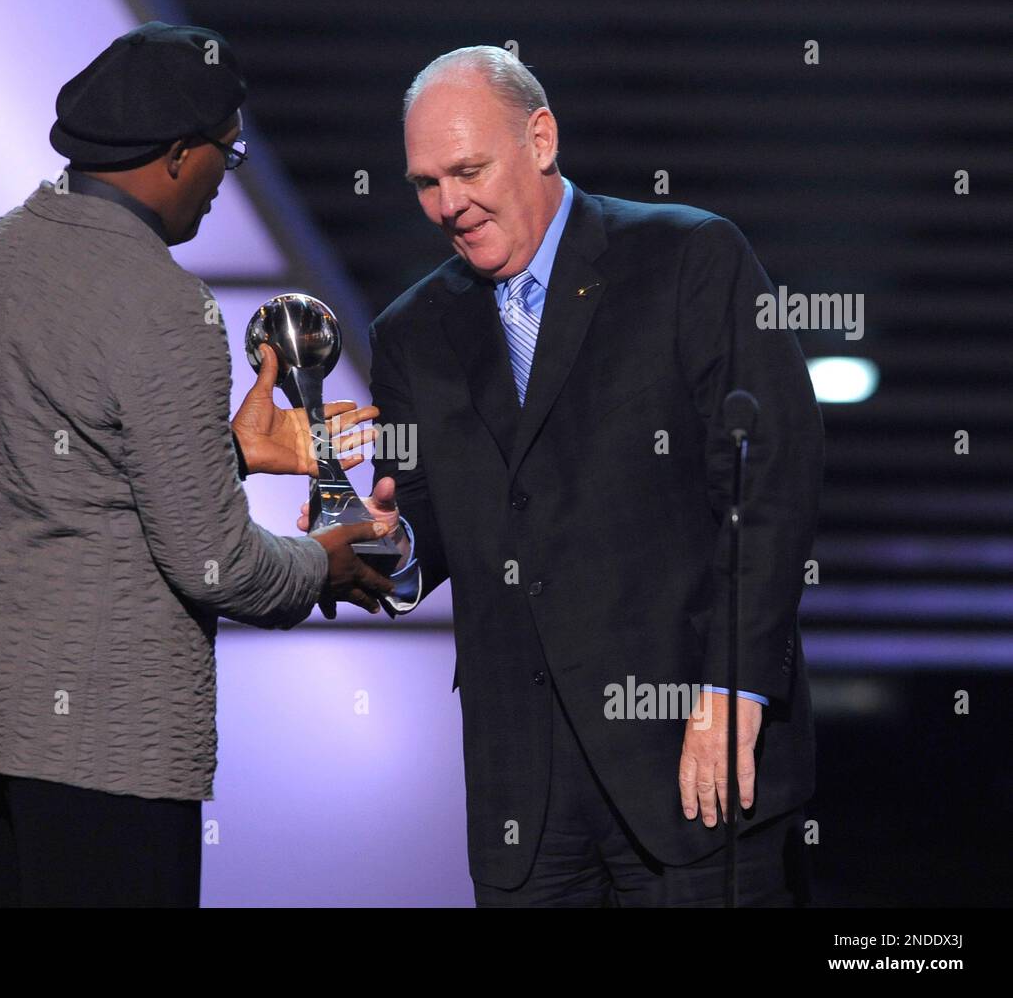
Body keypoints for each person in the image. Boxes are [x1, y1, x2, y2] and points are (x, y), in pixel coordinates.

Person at [305, 46, 823, 906]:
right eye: (425, 184)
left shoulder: (688, 258)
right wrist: (378, 543)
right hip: (526, 796)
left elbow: (771, 479)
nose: (449, 206)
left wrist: (734, 681)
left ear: (540, 138)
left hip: (690, 756)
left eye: (467, 171)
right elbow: (427, 531)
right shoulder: (413, 332)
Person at [0, 21, 393, 908]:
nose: (224, 178)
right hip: (107, 744)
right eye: (228, 153)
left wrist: (221, 452)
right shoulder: (165, 304)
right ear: (179, 155)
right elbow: (215, 563)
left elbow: (60, 475)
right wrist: (324, 563)